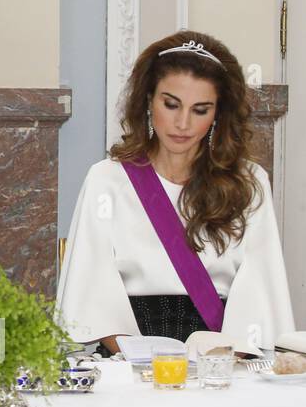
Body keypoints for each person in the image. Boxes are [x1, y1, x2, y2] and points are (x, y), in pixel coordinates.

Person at [57, 31, 294, 353]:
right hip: (129, 360)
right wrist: (144, 363)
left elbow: (260, 300)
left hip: (222, 364)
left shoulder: (249, 183)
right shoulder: (107, 181)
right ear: (147, 100)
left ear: (217, 115)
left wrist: (219, 365)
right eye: (171, 104)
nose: (182, 123)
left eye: (200, 109)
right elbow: (93, 296)